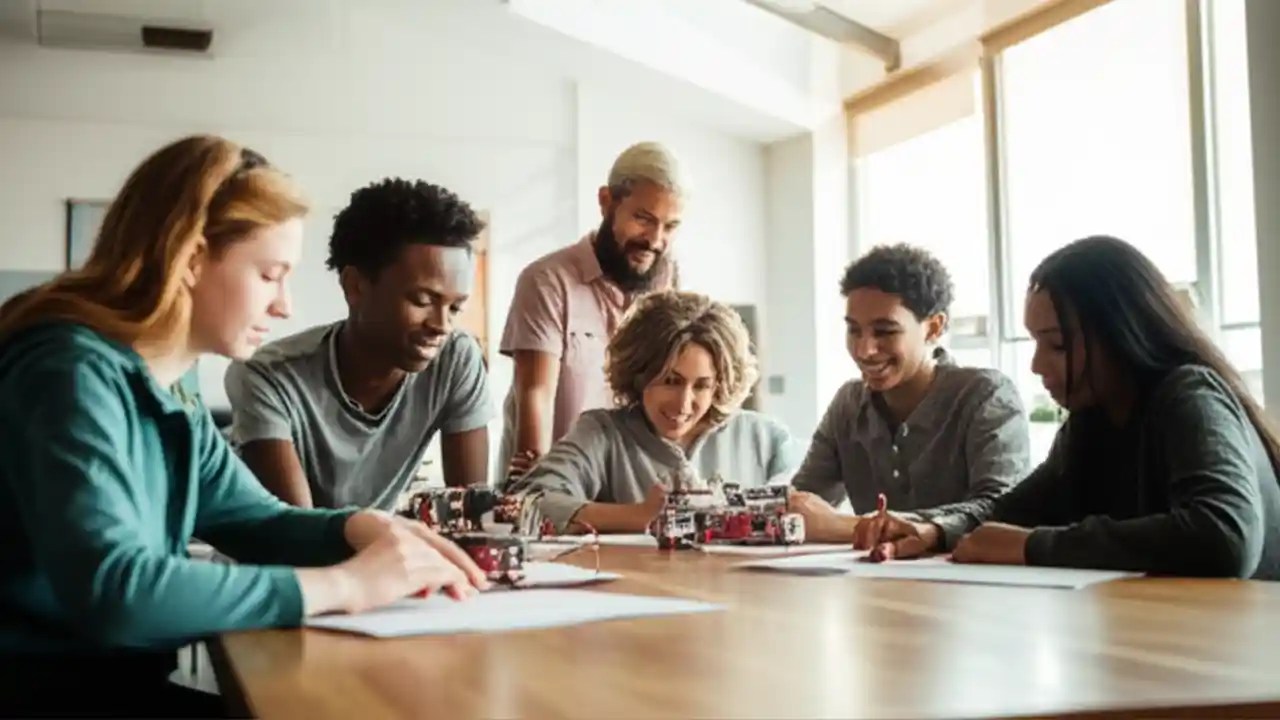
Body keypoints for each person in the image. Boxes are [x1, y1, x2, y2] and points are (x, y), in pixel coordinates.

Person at [0, 136, 487, 717]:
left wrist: (362, 527)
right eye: (270, 275)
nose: (285, 306)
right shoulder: (68, 371)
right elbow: (116, 591)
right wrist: (347, 585)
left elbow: (253, 519)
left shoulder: (166, 384)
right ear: (190, 258)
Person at [859, 236, 1280, 580]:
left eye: (1057, 344)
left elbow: (1224, 537)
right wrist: (935, 531)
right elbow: (1011, 509)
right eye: (1035, 342)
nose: (1037, 364)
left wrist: (1031, 546)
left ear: (1122, 336)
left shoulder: (1189, 395)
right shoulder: (1091, 425)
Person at [225, 178, 493, 510]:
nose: (442, 325)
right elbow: (297, 534)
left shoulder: (454, 358)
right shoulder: (269, 376)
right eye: (422, 300)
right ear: (355, 286)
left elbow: (471, 513)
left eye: (455, 308)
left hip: (371, 552)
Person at [787, 244, 1030, 543]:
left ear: (933, 328)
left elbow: (1001, 510)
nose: (864, 350)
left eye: (885, 331)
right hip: (875, 583)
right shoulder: (848, 405)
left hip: (967, 585)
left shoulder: (985, 396)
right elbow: (803, 505)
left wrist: (848, 526)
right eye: (854, 330)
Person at [508, 290, 799, 534]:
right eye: (670, 381)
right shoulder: (602, 434)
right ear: (639, 374)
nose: (683, 405)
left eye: (701, 386)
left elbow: (806, 510)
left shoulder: (767, 439)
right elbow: (526, 504)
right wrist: (638, 517)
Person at [497, 141, 685, 486]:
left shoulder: (667, 285)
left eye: (670, 227)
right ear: (606, 201)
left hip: (631, 496)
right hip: (557, 490)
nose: (655, 240)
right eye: (643, 219)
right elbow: (536, 395)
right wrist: (535, 492)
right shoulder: (548, 281)